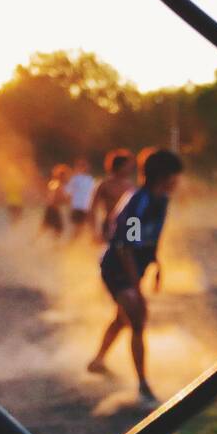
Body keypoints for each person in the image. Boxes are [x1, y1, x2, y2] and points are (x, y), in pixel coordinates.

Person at [87, 147, 183, 403]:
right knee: (138, 319)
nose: (178, 181)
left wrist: (156, 265)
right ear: (164, 176)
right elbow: (124, 247)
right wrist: (136, 288)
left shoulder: (160, 201)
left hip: (133, 268)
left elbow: (149, 241)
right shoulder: (137, 202)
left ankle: (97, 361)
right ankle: (143, 386)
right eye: (175, 175)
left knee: (123, 318)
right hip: (117, 268)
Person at [93, 148, 136, 241]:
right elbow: (93, 209)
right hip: (109, 226)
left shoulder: (130, 186)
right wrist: (95, 231)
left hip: (127, 226)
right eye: (127, 166)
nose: (130, 169)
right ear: (119, 166)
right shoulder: (104, 185)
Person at [65, 156, 96, 238]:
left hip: (87, 207)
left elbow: (93, 193)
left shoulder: (90, 179)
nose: (85, 168)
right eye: (82, 166)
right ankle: (71, 246)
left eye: (85, 166)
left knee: (88, 230)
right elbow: (67, 192)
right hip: (77, 207)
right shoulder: (75, 179)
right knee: (77, 229)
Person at [40, 164, 69, 238]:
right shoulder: (58, 184)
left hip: (50, 208)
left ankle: (33, 241)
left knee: (45, 227)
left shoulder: (52, 183)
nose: (65, 177)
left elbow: (49, 196)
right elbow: (56, 196)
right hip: (54, 209)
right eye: (64, 175)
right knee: (58, 229)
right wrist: (67, 199)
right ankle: (55, 244)